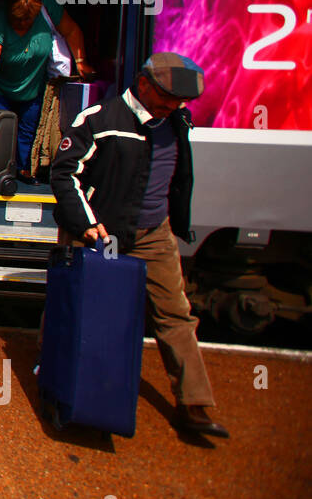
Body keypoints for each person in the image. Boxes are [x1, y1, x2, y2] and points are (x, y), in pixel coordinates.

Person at [49, 52, 227, 438]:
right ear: (143, 84)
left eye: (179, 102)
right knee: (86, 316)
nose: (172, 107)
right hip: (104, 236)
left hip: (154, 234)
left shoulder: (175, 120)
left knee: (176, 314)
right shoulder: (99, 120)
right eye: (165, 97)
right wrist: (86, 224)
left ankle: (194, 405)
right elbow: (65, 174)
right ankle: (64, 391)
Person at [0, 0, 93, 182]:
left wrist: (81, 60)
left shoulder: (48, 8)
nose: (22, 24)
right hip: (1, 88)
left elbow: (72, 31)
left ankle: (25, 170)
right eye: (17, 21)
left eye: (27, 21)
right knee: (2, 131)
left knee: (30, 129)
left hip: (33, 87)